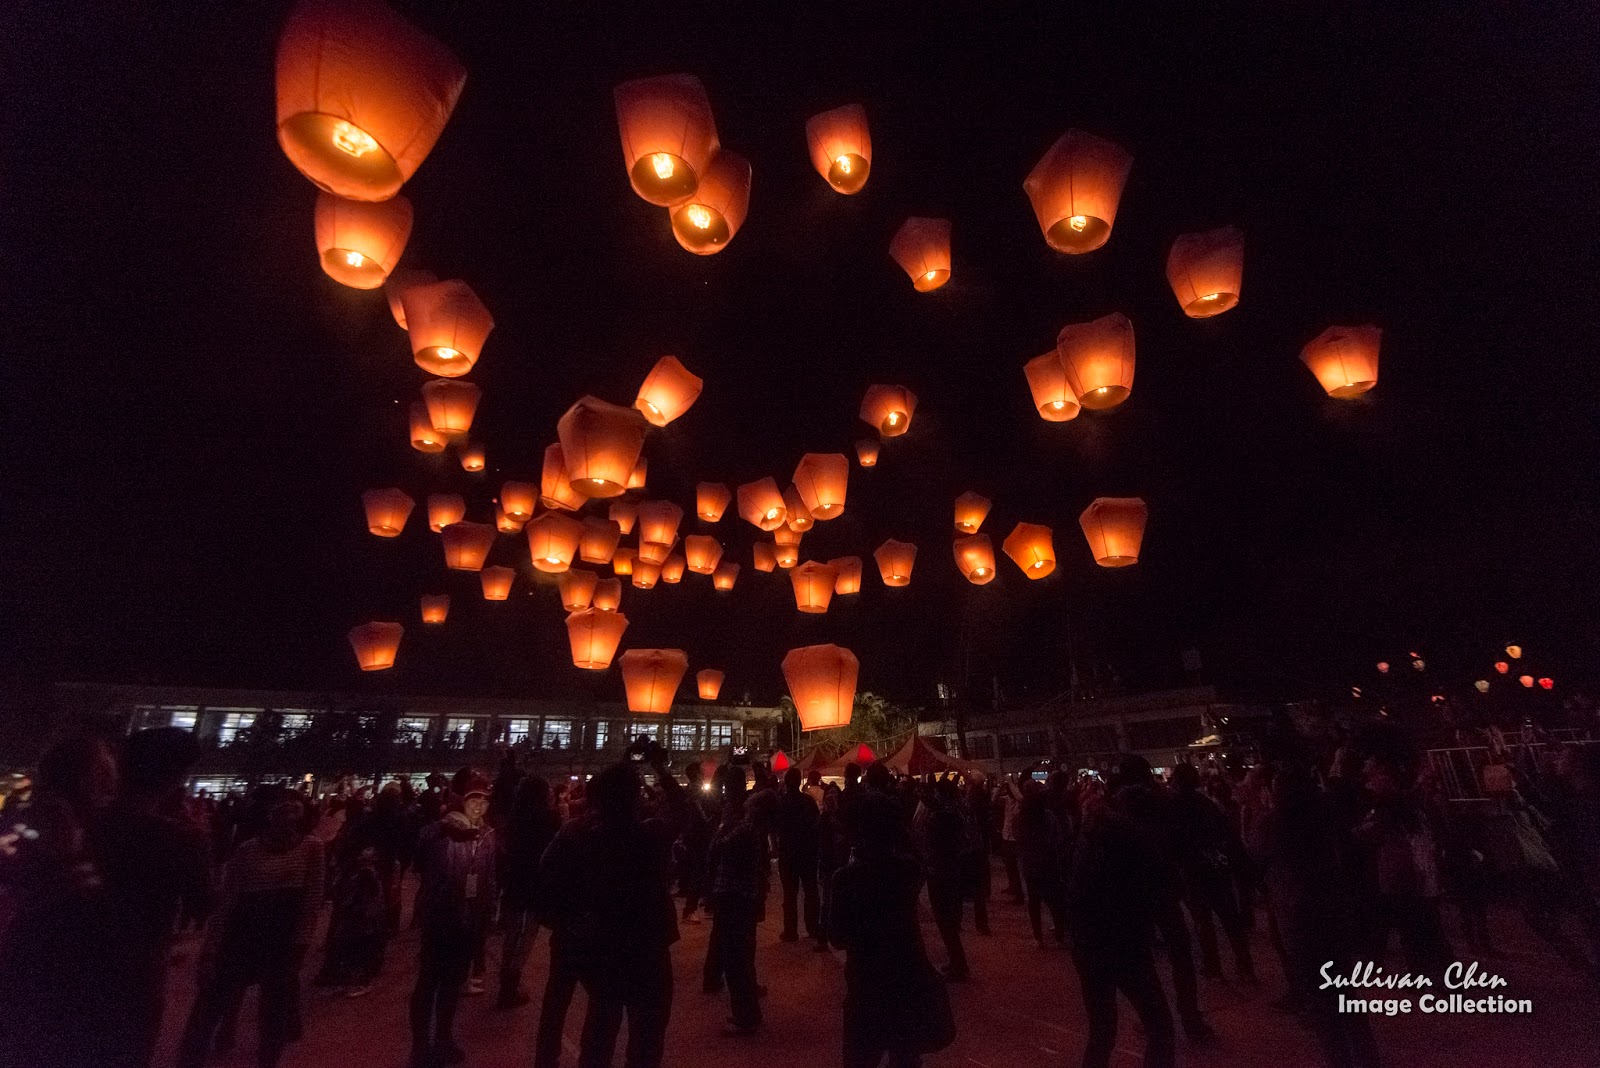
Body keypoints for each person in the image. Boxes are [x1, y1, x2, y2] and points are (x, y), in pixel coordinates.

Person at [538, 743, 686, 1068]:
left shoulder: (578, 837)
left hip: (602, 950)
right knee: (646, 1040)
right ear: (637, 798)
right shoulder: (648, 837)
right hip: (648, 950)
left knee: (600, 1032)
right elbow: (686, 812)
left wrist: (570, 925)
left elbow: (542, 885)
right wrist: (659, 767)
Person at [92, 727, 215, 1068]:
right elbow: (203, 903)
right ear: (175, 778)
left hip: (70, 956)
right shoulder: (180, 839)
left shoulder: (85, 822)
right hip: (138, 965)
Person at [177, 788, 322, 1068]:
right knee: (209, 1007)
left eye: (294, 811)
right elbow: (227, 901)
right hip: (241, 934)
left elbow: (312, 899)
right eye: (281, 811)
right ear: (269, 815)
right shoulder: (248, 850)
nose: (288, 818)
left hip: (280, 937)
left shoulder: (312, 848)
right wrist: (211, 947)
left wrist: (301, 942)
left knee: (272, 1014)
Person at [0, 736, 121, 1068]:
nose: (113, 770)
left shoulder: (39, 812)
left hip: (35, 954)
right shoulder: (54, 815)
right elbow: (69, 884)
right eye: (104, 763)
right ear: (85, 774)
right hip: (48, 959)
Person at [830, 791, 955, 1068]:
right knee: (906, 1056)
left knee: (860, 1057)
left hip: (866, 981)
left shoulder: (846, 878)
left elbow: (836, 937)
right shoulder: (908, 870)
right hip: (906, 977)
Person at [1066, 782, 1176, 1068]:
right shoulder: (1129, 840)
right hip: (1124, 945)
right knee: (1160, 1026)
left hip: (1089, 944)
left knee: (1102, 1029)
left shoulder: (1089, 839)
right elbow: (1156, 888)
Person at [1112, 757, 1212, 1042]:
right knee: (1181, 955)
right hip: (1165, 887)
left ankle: (1152, 1018)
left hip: (1133, 893)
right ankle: (1190, 1018)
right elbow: (1182, 843)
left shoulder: (1114, 809)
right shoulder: (1166, 804)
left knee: (1142, 960)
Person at [409, 774, 498, 1067]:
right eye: (474, 799)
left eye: (484, 800)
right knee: (428, 982)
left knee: (452, 984)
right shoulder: (440, 831)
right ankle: (420, 1047)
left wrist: (483, 915)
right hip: (441, 918)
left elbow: (488, 878)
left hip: (469, 922)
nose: (479, 805)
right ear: (461, 799)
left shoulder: (487, 835)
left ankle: (444, 1038)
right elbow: (419, 861)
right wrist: (444, 829)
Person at [1170, 763, 1256, 981]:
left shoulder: (1175, 807)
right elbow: (1224, 832)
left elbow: (1174, 842)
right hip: (1215, 866)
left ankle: (1213, 967)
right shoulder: (1207, 804)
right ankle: (1245, 966)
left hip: (1192, 870)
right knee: (1229, 918)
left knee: (1203, 922)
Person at [705, 768, 764, 1034]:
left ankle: (746, 1015)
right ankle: (745, 1004)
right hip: (742, 893)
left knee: (735, 955)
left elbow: (720, 847)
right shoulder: (746, 814)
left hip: (733, 892)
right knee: (740, 951)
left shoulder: (740, 818)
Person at [498, 774, 560, 1009]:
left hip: (516, 879)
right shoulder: (549, 818)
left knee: (513, 933)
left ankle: (508, 982)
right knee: (526, 935)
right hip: (536, 881)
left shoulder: (515, 818)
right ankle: (509, 986)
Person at [914, 776, 970, 980]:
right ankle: (956, 961)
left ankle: (959, 964)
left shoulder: (943, 815)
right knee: (948, 918)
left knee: (944, 918)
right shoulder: (955, 811)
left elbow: (931, 830)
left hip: (941, 869)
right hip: (950, 867)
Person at [773, 766, 824, 948]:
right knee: (811, 890)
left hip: (788, 852)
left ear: (786, 783)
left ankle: (790, 930)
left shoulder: (781, 802)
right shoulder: (808, 801)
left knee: (790, 893)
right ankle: (812, 926)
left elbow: (775, 827)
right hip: (807, 852)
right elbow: (816, 823)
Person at [1015, 783, 1068, 946]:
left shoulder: (1020, 819)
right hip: (1049, 863)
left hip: (1030, 864)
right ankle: (1060, 937)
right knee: (1054, 901)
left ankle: (1038, 938)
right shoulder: (1049, 816)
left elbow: (1018, 839)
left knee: (1034, 901)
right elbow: (1058, 838)